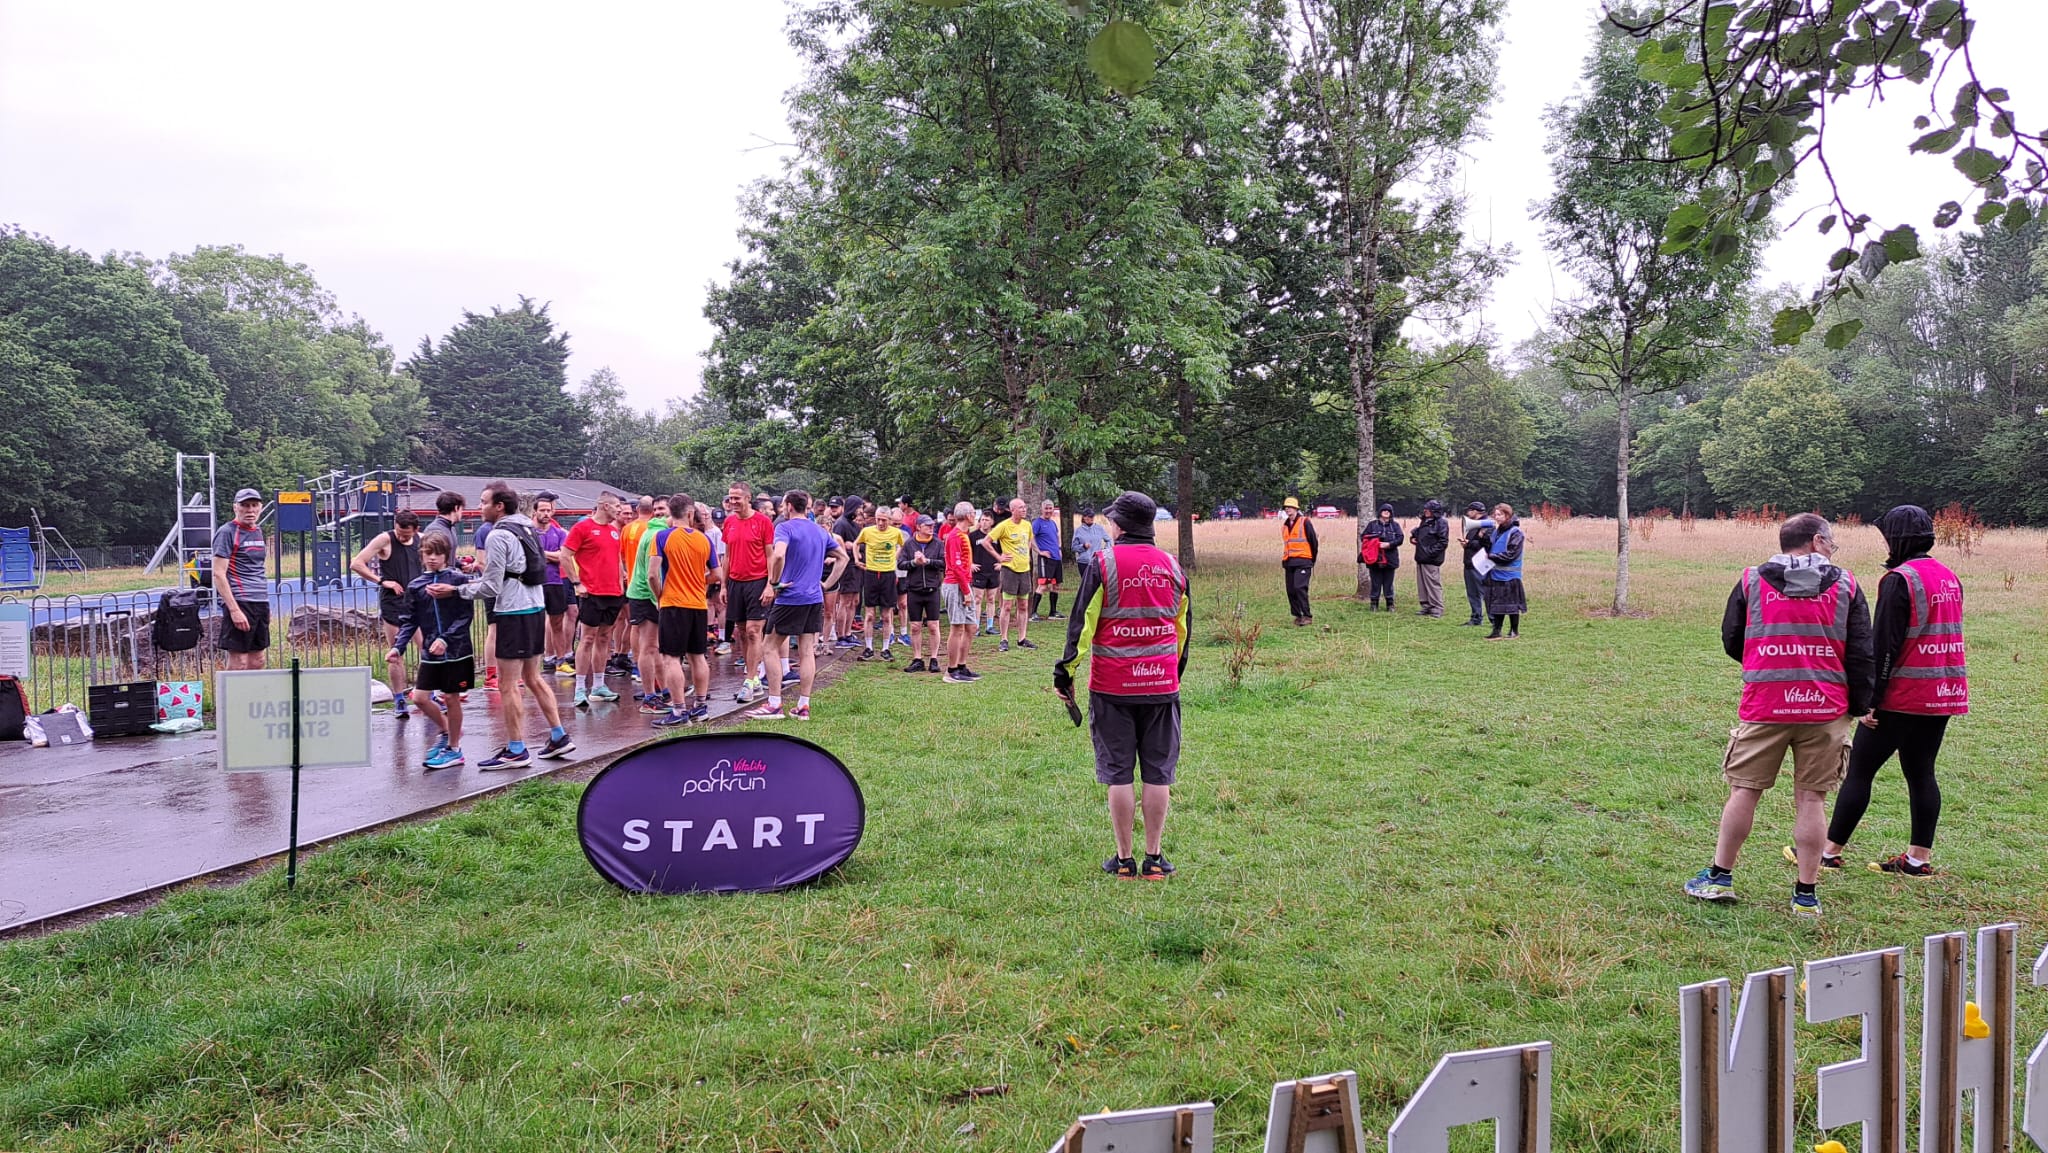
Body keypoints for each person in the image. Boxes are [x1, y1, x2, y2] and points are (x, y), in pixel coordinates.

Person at [1686, 513, 1874, 917]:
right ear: (1816, 541)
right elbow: (1861, 651)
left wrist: (1765, 663)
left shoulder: (1751, 580)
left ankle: (1720, 878)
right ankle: (1805, 895)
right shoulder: (1847, 585)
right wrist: (1859, 705)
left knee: (1744, 790)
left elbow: (1732, 639)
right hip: (1825, 708)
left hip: (1765, 704)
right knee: (1812, 799)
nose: (1833, 548)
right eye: (1831, 541)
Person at [1808, 505, 1967, 877]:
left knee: (1861, 771)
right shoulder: (1948, 576)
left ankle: (1829, 853)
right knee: (1922, 772)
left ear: (1896, 538)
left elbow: (1884, 647)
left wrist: (1870, 701)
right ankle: (1917, 859)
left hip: (1901, 696)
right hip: (1942, 692)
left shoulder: (1900, 579)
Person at [1053, 491, 1192, 881]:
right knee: (1157, 772)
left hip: (1113, 688)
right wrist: (1170, 676)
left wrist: (1065, 673)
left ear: (1120, 525)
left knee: (1118, 773)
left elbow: (1082, 625)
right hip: (1162, 686)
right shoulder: (1173, 567)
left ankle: (1124, 859)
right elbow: (1182, 632)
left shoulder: (1103, 563)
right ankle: (1154, 858)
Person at [433, 484, 574, 768]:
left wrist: (456, 590)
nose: (479, 507)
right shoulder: (526, 526)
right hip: (536, 608)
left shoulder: (498, 534)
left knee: (508, 685)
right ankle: (558, 736)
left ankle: (516, 749)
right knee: (533, 678)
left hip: (513, 612)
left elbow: (492, 585)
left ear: (499, 506)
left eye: (484, 501)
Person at [752, 489, 845, 720]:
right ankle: (803, 706)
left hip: (790, 597)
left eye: (783, 505)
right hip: (813, 598)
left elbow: (779, 555)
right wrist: (826, 584)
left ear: (790, 506)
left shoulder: (784, 527)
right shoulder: (819, 531)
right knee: (806, 651)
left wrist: (773, 584)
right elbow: (844, 558)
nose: (782, 509)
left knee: (769, 647)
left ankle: (774, 704)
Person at [386, 532, 473, 769]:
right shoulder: (416, 585)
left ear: (446, 555)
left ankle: (455, 750)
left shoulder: (457, 580)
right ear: (421, 555)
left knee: (451, 697)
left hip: (457, 651)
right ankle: (447, 732)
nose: (433, 558)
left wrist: (445, 639)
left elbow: (465, 616)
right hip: (430, 653)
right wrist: (397, 647)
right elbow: (409, 620)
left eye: (438, 553)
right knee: (420, 698)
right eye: (428, 553)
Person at [648, 493, 715, 728]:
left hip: (673, 603)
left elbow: (652, 574)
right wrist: (699, 582)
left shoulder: (662, 537)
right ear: (690, 514)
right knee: (697, 656)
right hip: (698, 604)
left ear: (670, 513)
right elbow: (717, 574)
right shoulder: (704, 540)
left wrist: (659, 595)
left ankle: (678, 710)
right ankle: (700, 706)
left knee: (671, 657)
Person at [350, 509, 423, 717]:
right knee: (395, 652)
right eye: (399, 532)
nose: (402, 537)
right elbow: (356, 563)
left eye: (406, 535)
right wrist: (383, 581)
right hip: (393, 603)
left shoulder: (423, 540)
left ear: (415, 530)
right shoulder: (385, 539)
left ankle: (428, 693)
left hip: (417, 602)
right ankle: (399, 699)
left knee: (426, 649)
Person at [562, 493, 626, 707]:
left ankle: (599, 685)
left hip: (614, 592)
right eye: (617, 506)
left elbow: (616, 560)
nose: (619, 510)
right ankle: (580, 688)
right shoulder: (583, 528)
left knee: (605, 638)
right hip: (592, 592)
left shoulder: (615, 531)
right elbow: (565, 554)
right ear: (605, 506)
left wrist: (621, 583)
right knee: (587, 638)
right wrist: (576, 582)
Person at [722, 482, 776, 703]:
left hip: (758, 581)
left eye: (737, 498)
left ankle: (750, 679)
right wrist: (724, 585)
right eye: (730, 498)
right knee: (741, 631)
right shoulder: (729, 522)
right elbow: (727, 555)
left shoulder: (763, 522)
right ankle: (753, 677)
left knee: (755, 631)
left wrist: (770, 584)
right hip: (735, 581)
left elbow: (771, 555)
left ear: (748, 498)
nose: (733, 502)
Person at [211, 488, 271, 671]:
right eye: (245, 505)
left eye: (254, 505)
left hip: (260, 602)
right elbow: (218, 574)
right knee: (240, 662)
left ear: (261, 508)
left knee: (258, 660)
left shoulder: (258, 532)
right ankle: (230, 699)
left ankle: (252, 699)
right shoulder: (227, 532)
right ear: (235, 508)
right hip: (240, 601)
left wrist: (265, 604)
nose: (250, 510)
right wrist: (234, 609)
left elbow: (258, 569)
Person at [625, 497, 672, 712]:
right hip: (646, 595)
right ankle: (649, 697)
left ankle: (665, 691)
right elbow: (652, 575)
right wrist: (659, 600)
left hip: (646, 593)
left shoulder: (653, 530)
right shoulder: (656, 534)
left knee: (656, 647)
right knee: (649, 646)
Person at [987, 498, 1038, 651]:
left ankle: (1022, 638)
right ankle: (1004, 639)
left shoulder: (1027, 525)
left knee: (1023, 605)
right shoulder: (1004, 526)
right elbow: (986, 542)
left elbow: (1029, 540)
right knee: (1007, 606)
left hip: (1025, 570)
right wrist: (999, 557)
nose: (1024, 510)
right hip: (1009, 570)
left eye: (1025, 507)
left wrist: (1027, 554)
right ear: (1012, 510)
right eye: (1021, 508)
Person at [533, 493, 575, 675]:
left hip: (555, 582)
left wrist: (542, 553)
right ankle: (534, 664)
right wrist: (550, 554)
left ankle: (561, 661)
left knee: (557, 623)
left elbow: (562, 556)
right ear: (534, 512)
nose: (546, 513)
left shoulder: (558, 533)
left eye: (548, 510)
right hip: (534, 583)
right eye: (542, 510)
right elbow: (529, 556)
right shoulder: (529, 532)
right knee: (534, 624)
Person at [941, 501, 983, 683]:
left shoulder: (964, 535)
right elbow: (956, 567)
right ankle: (950, 671)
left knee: (971, 627)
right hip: (956, 585)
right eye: (974, 513)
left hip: (964, 583)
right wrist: (966, 591)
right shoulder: (955, 536)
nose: (976, 516)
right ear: (967, 515)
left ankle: (961, 665)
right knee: (957, 627)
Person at [854, 508, 903, 661]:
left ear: (889, 520)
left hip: (888, 574)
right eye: (878, 519)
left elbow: (903, 545)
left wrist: (895, 556)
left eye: (884, 520)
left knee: (886, 615)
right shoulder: (867, 531)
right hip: (871, 574)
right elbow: (856, 543)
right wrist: (857, 559)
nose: (881, 523)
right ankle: (868, 647)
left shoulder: (896, 533)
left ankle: (886, 648)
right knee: (869, 614)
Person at [900, 514, 947, 673]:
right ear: (918, 527)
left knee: (934, 626)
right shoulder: (909, 544)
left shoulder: (938, 543)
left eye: (932, 525)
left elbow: (943, 563)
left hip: (932, 589)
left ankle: (934, 658)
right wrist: (914, 563)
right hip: (914, 589)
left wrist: (927, 561)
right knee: (915, 626)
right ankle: (917, 658)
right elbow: (901, 564)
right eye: (927, 525)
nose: (931, 528)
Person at [1482, 503, 1526, 639]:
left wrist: (1491, 556)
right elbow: (1491, 547)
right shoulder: (1496, 531)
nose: (1496, 517)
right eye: (1495, 514)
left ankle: (1514, 631)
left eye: (1499, 514)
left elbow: (1511, 554)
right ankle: (1497, 631)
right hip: (1496, 574)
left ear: (1507, 515)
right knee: (1497, 605)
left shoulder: (1516, 533)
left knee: (1512, 605)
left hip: (1510, 575)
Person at [1279, 497, 1318, 626]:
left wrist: (1312, 560)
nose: (1287, 509)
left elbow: (1314, 542)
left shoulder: (1305, 522)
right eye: (1286, 507)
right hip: (1289, 562)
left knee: (1300, 587)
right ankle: (1297, 615)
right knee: (1291, 590)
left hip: (1303, 561)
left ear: (1296, 508)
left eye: (1290, 507)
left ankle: (1307, 616)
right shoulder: (1285, 525)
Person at [1409, 500, 1450, 619]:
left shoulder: (1441, 523)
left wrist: (1430, 552)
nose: (1425, 511)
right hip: (1421, 557)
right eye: (1425, 509)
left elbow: (1443, 542)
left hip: (1431, 558)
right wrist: (1414, 537)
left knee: (1433, 583)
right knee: (1422, 584)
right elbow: (1422, 535)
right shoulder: (1424, 521)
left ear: (1434, 511)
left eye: (1428, 509)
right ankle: (1426, 606)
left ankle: (1437, 607)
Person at [1360, 503, 1404, 611]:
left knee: (1388, 583)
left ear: (1391, 514)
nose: (1386, 512)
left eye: (1388, 511)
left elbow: (1400, 539)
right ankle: (1374, 604)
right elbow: (1363, 537)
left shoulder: (1395, 526)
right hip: (1374, 558)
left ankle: (1390, 604)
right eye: (1384, 510)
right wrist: (1375, 542)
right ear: (1380, 512)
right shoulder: (1372, 525)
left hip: (1390, 558)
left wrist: (1389, 544)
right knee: (1375, 582)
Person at [1458, 501, 1493, 627]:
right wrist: (1467, 545)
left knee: (1483, 592)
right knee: (1472, 592)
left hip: (1479, 564)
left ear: (1475, 511)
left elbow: (1487, 544)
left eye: (1469, 510)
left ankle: (1493, 619)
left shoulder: (1487, 525)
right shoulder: (1475, 526)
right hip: (1470, 562)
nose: (1468, 513)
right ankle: (1476, 617)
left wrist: (1469, 544)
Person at [1031, 498, 1065, 621]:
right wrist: (1039, 552)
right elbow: (1031, 538)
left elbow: (1056, 536)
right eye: (1046, 508)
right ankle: (1033, 613)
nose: (1048, 511)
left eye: (1050, 508)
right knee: (1043, 585)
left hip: (1056, 558)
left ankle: (1053, 612)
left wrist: (1059, 548)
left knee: (1056, 585)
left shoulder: (1053, 523)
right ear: (1042, 509)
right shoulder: (1037, 523)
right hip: (1046, 559)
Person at [970, 509, 1002, 636]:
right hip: (978, 571)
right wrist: (970, 564)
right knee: (977, 599)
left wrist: (1001, 563)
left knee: (991, 598)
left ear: (992, 522)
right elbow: (966, 552)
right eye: (982, 520)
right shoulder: (972, 536)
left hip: (993, 571)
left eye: (987, 520)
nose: (984, 523)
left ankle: (990, 626)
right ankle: (975, 626)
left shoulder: (996, 536)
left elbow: (1004, 551)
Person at [1070, 505, 1111, 576]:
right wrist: (1083, 546)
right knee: (1086, 585)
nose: (1091, 518)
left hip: (1097, 561)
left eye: (1092, 516)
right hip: (1083, 562)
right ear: (1084, 517)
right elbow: (1073, 547)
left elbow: (1109, 540)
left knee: (1097, 584)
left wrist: (1105, 551)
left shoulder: (1099, 528)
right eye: (1089, 516)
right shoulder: (1078, 531)